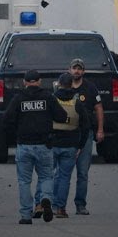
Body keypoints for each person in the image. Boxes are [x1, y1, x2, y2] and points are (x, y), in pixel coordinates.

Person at [1, 70, 67, 224]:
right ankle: (45, 198)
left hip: (24, 145)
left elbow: (6, 120)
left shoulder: (19, 99)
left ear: (24, 82)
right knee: (46, 177)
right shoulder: (48, 97)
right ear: (39, 81)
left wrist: (16, 132)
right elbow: (62, 117)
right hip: (44, 144)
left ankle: (25, 215)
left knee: (24, 181)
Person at [50, 72, 91, 218]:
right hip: (71, 145)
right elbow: (86, 126)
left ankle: (49, 205)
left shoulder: (52, 99)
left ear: (59, 84)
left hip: (53, 143)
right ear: (71, 84)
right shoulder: (77, 102)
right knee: (64, 177)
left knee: (49, 176)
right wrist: (80, 146)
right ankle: (61, 208)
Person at [69, 58, 105, 215]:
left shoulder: (90, 88)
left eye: (79, 69)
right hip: (68, 134)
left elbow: (99, 108)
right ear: (69, 70)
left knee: (83, 172)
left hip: (86, 134)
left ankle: (80, 204)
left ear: (83, 71)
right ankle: (59, 204)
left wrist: (100, 130)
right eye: (74, 68)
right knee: (62, 172)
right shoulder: (64, 86)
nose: (77, 71)